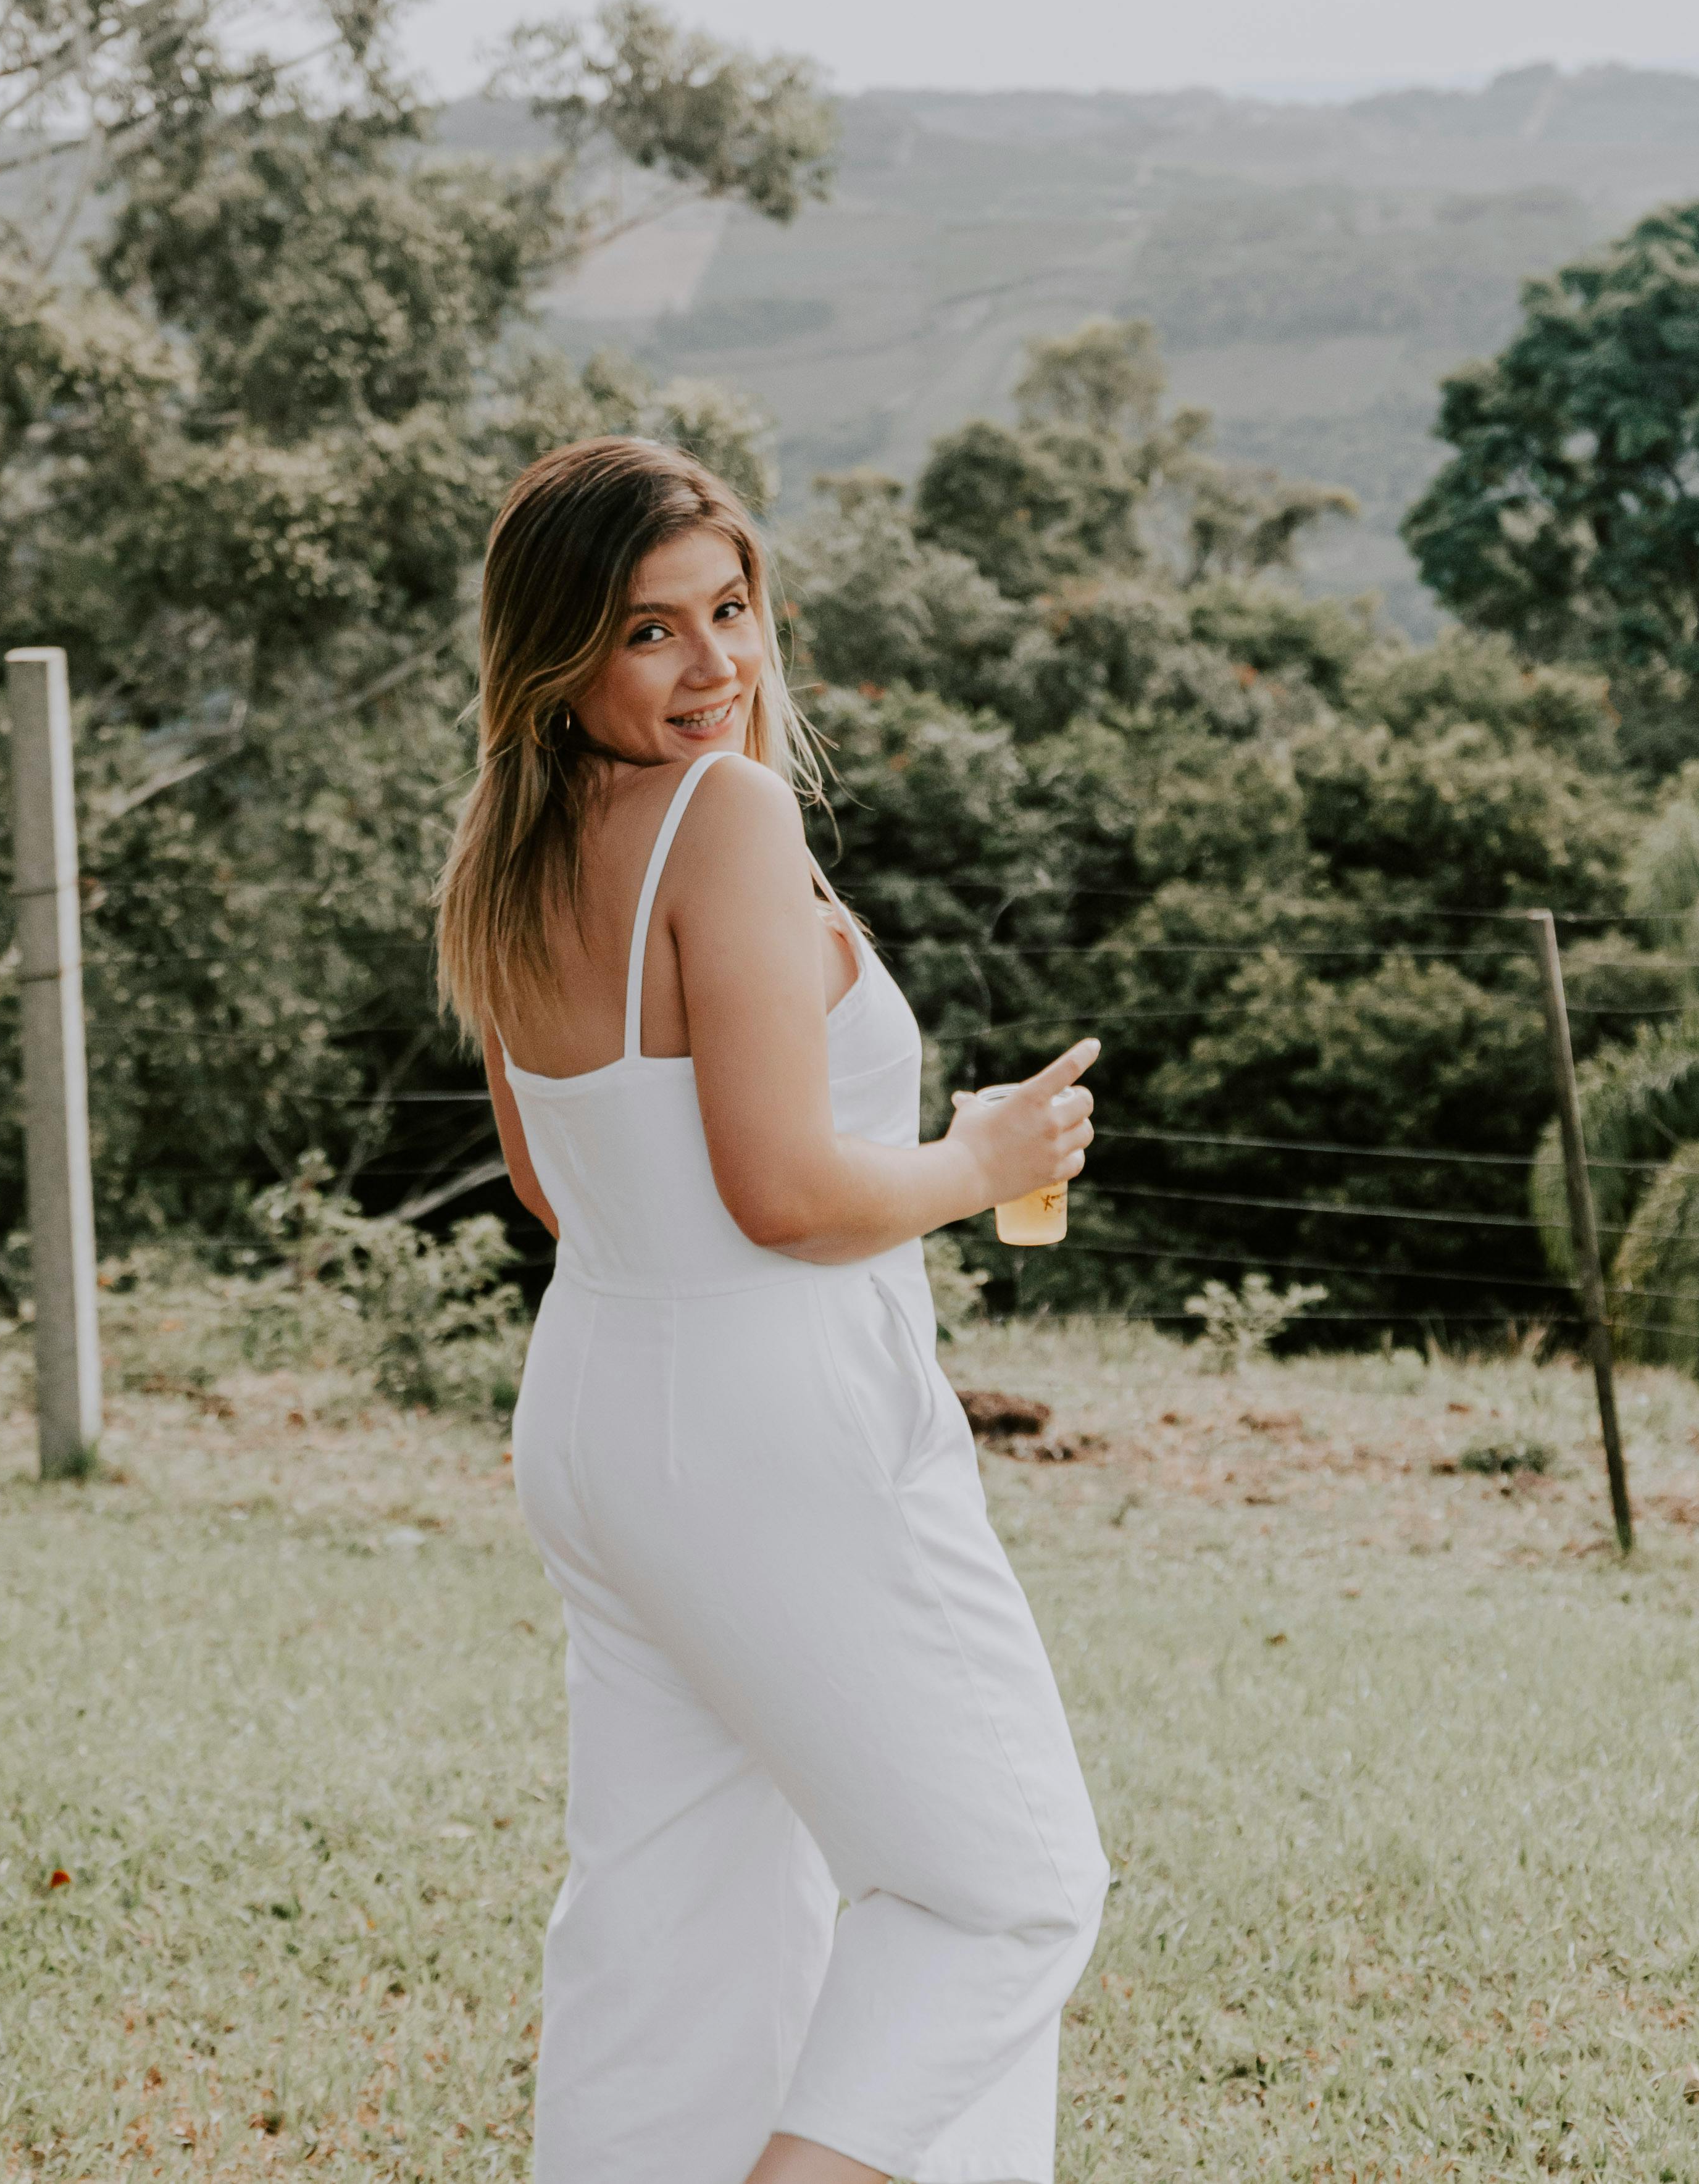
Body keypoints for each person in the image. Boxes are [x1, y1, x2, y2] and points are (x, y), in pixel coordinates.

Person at [436, 435, 1109, 2184]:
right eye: (646, 630)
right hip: (774, 1414)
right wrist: (979, 1157)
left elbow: (557, 1183)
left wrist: (917, 1167)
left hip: (599, 1412)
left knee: (681, 1922)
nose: (711, 666)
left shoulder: (508, 843)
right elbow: (787, 1196)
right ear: (555, 651)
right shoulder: (723, 816)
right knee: (1007, 1894)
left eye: (728, 610)